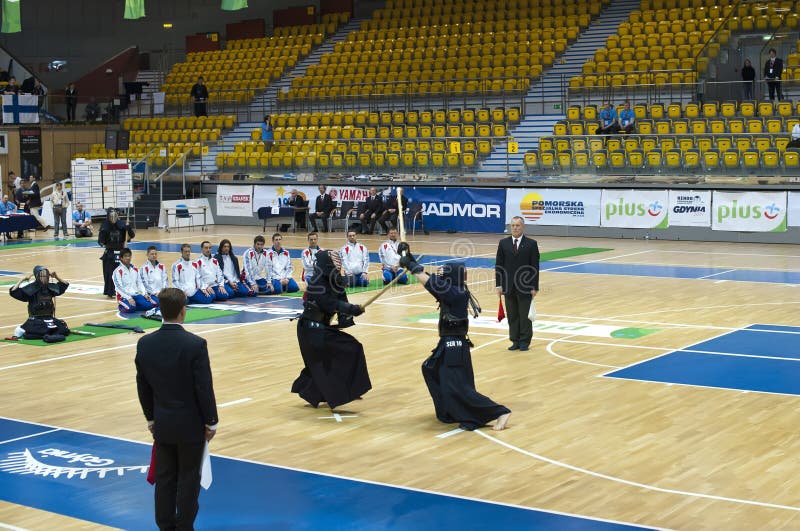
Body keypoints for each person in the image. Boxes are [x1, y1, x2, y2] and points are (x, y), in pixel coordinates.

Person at [398, 246, 511, 431]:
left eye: (444, 272)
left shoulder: (456, 294)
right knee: (430, 369)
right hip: (448, 344)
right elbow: (431, 282)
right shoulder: (452, 291)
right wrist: (409, 257)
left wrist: (411, 266)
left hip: (455, 347)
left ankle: (500, 412)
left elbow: (431, 283)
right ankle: (449, 411)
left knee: (460, 389)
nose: (441, 274)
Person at [135, 287, 218, 531]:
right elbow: (204, 387)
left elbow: (143, 386)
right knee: (189, 479)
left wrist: (150, 418)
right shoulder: (195, 344)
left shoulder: (145, 343)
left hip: (162, 423)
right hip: (191, 425)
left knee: (165, 479)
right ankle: (184, 527)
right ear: (184, 311)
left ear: (160, 310)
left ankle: (165, 526)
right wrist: (211, 421)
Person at [291, 250, 371, 409]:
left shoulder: (335, 280)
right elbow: (328, 303)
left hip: (322, 328)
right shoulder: (316, 282)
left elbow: (341, 302)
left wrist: (351, 311)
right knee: (325, 360)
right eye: (334, 262)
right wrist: (350, 308)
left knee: (351, 349)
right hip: (310, 330)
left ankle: (347, 388)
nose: (338, 264)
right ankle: (337, 391)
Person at [495, 216, 540, 352]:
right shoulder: (503, 243)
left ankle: (524, 341)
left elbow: (535, 267)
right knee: (512, 315)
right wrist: (499, 285)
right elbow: (499, 266)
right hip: (508, 286)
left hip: (525, 286)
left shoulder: (531, 244)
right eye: (513, 225)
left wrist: (534, 286)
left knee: (524, 315)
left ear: (523, 227)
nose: (515, 228)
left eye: (518, 225)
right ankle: (514, 340)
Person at [10, 265, 70, 340]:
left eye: (46, 275)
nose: (44, 277)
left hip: (49, 319)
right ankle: (23, 329)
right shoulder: (31, 288)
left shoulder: (50, 287)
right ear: (37, 276)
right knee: (38, 332)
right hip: (35, 320)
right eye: (42, 275)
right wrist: (22, 280)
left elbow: (65, 284)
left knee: (64, 330)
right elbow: (13, 291)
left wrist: (56, 276)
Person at [98, 208, 135, 298]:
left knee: (122, 273)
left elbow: (131, 236)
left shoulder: (122, 224)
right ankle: (111, 292)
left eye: (115, 216)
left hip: (121, 252)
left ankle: (123, 290)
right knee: (109, 273)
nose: (113, 219)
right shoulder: (104, 226)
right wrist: (104, 234)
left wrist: (128, 228)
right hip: (110, 253)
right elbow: (101, 242)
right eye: (111, 217)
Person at [113, 248, 156, 313]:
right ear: (121, 258)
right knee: (130, 308)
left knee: (149, 305)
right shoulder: (117, 271)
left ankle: (135, 305)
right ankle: (122, 305)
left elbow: (140, 283)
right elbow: (118, 287)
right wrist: (128, 298)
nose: (128, 258)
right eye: (125, 256)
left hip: (135, 295)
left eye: (129, 256)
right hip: (123, 297)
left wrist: (144, 294)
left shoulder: (135, 269)